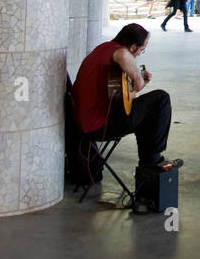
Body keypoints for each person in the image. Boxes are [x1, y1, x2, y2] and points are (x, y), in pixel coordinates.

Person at [71, 23, 181, 173]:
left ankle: (150, 160)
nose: (140, 54)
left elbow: (120, 96)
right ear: (132, 47)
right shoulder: (119, 52)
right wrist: (139, 78)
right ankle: (152, 160)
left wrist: (139, 82)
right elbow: (123, 55)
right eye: (141, 50)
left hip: (86, 121)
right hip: (98, 125)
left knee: (147, 114)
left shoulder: (103, 48)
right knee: (161, 99)